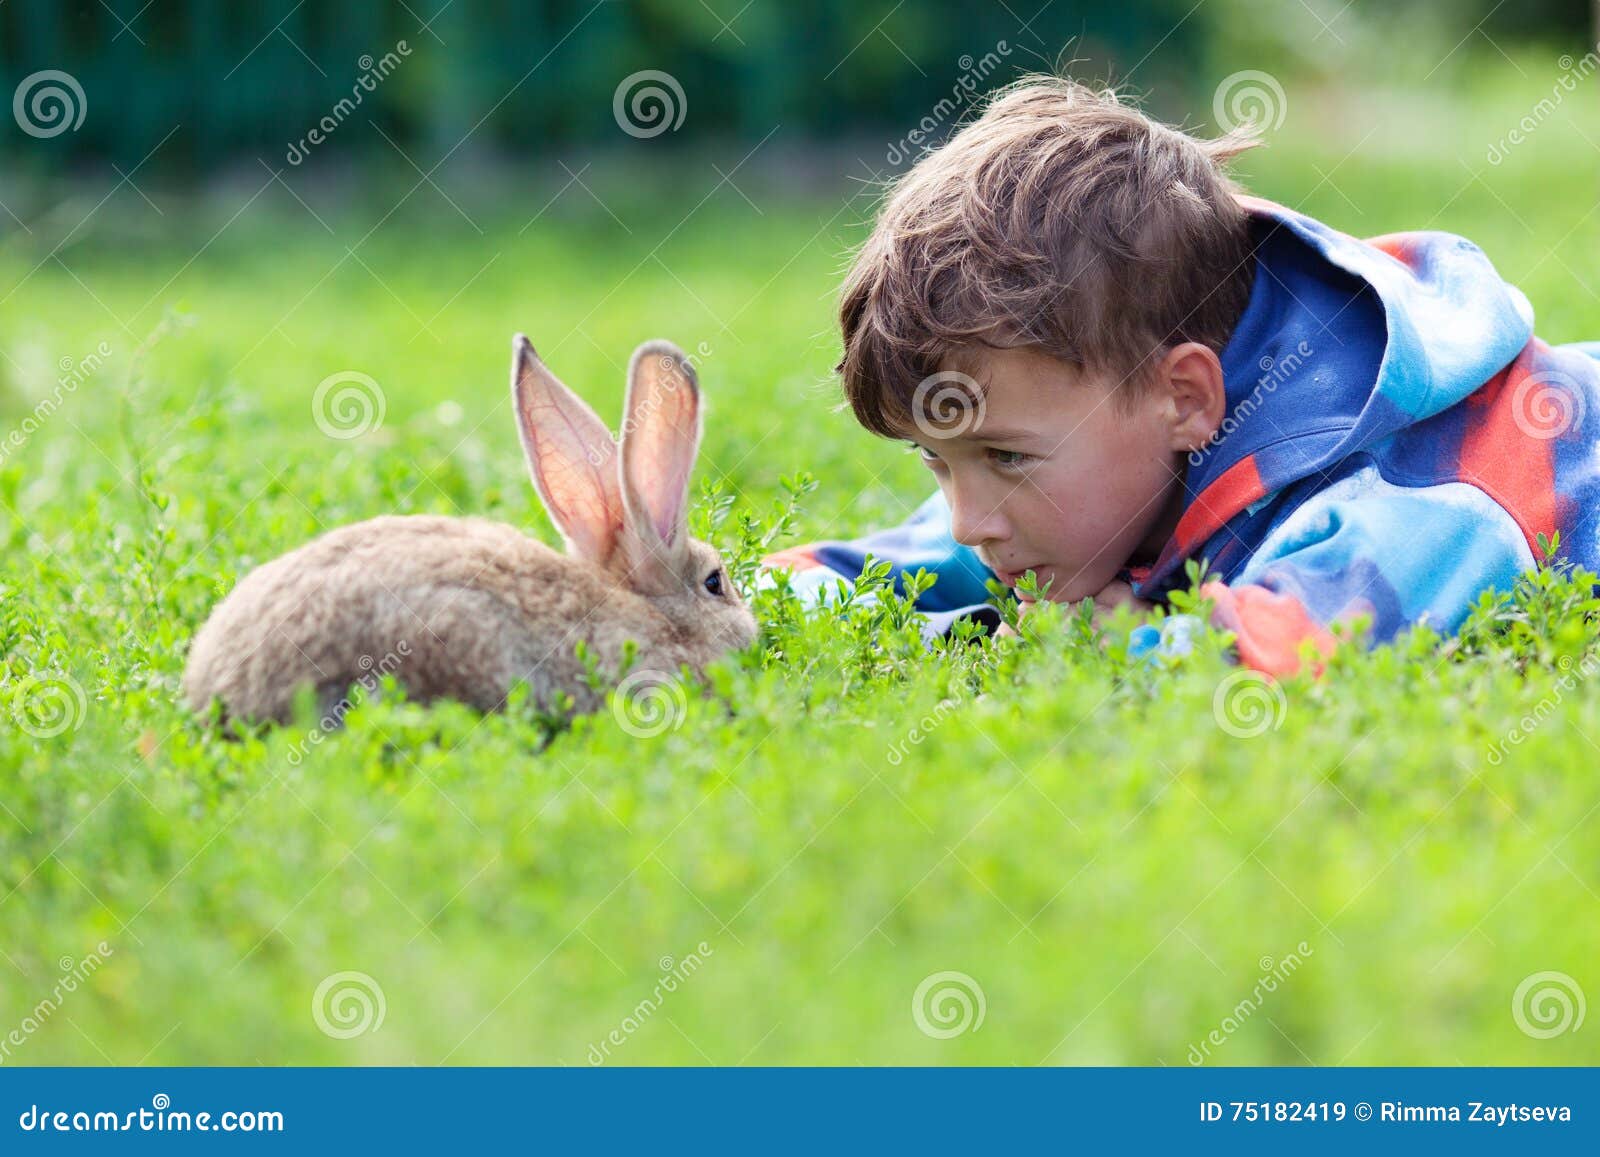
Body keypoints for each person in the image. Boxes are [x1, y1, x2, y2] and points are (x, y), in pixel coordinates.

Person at [758, 77, 1600, 675]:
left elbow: (1282, 659)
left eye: (1004, 459)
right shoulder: (1077, 464)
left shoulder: (1417, 493)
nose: (969, 520)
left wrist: (1102, 647)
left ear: (1185, 398)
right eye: (938, 462)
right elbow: (828, 578)